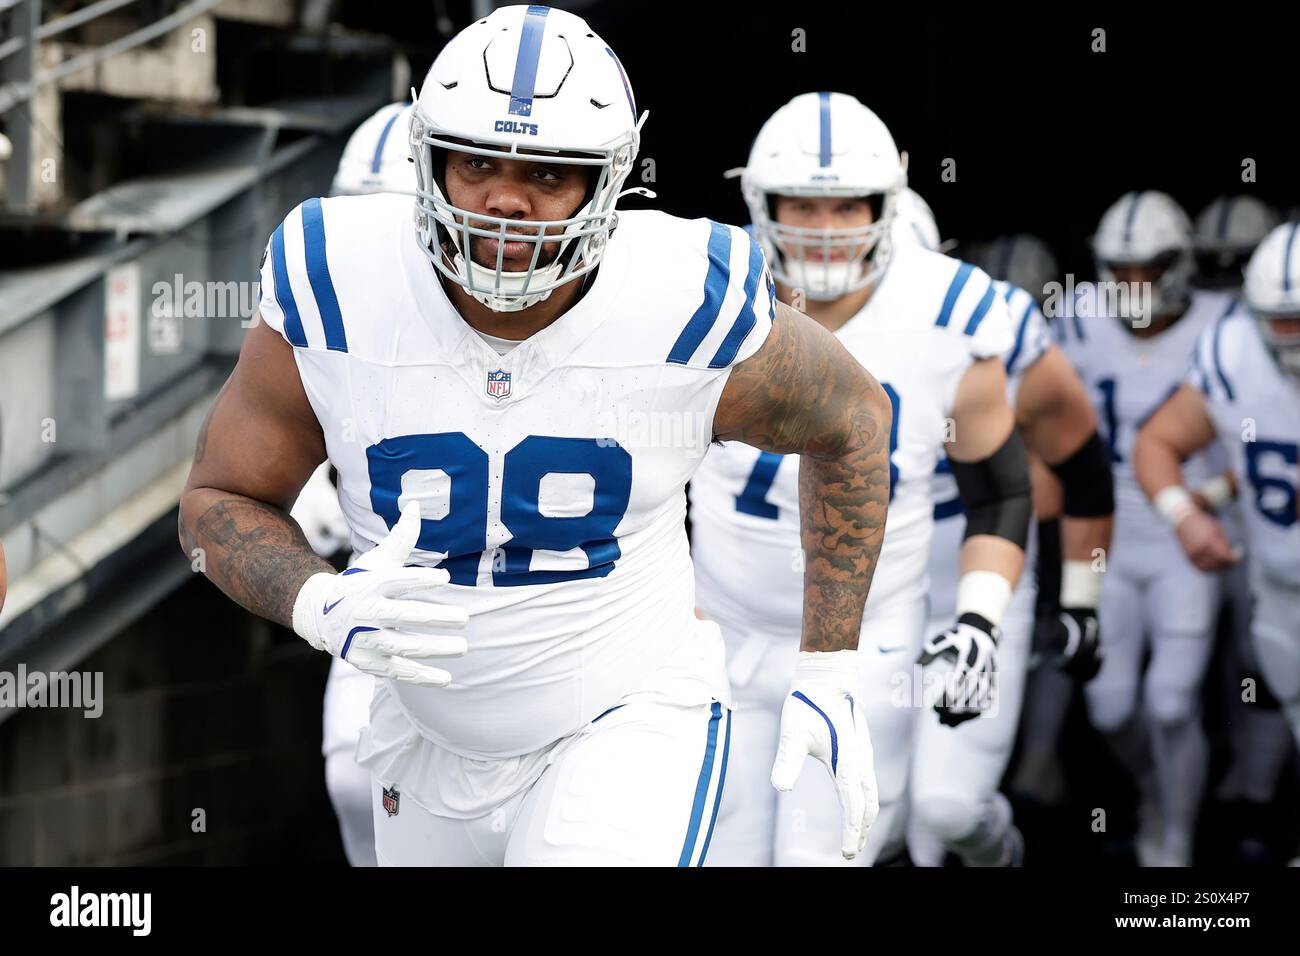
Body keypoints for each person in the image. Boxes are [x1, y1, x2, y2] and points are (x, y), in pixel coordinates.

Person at [178, 6, 892, 867]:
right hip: (423, 729)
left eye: (548, 172)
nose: (506, 200)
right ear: (427, 156)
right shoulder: (336, 274)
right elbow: (219, 497)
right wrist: (313, 599)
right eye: (476, 161)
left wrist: (827, 665)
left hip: (627, 717)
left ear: (610, 180)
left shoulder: (683, 297)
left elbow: (853, 419)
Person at [691, 92, 1031, 866]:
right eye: (802, 206)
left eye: (850, 206)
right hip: (720, 637)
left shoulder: (950, 308)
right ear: (758, 201)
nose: (826, 228)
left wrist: (978, 619)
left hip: (866, 646)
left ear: (891, 201)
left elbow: (1002, 492)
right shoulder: (703, 283)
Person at [1057, 190, 1231, 865]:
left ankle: (1178, 839)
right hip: (1102, 533)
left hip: (1188, 530)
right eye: (1120, 268)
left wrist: (1208, 497)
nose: (1134, 284)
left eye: (1150, 267)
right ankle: (1157, 787)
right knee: (1108, 707)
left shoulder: (1227, 324)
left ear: (1180, 263)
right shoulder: (1073, 321)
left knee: (1171, 701)